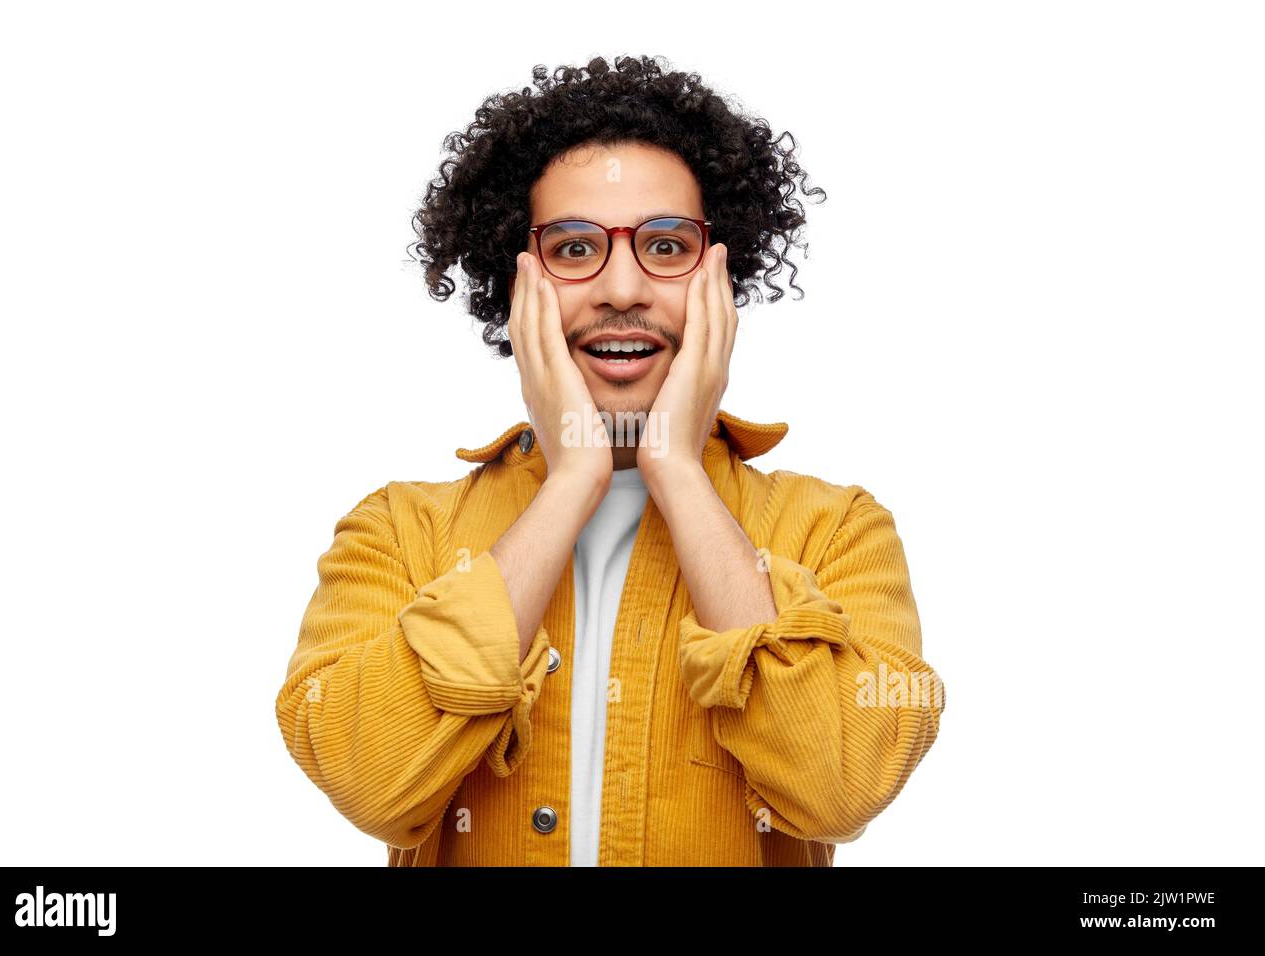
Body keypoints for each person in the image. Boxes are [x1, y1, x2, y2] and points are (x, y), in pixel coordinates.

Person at [275, 54, 946, 867]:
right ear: (514, 281)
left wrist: (677, 469)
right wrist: (573, 483)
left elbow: (841, 787)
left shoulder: (836, 531)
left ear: (719, 277)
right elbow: (371, 783)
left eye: (666, 246)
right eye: (573, 247)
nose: (622, 287)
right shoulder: (396, 530)